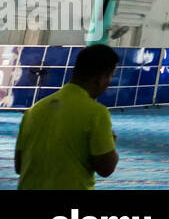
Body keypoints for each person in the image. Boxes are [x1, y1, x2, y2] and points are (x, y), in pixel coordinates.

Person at [13, 44, 119, 190]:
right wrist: (110, 143)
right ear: (101, 78)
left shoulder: (34, 110)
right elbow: (106, 169)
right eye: (110, 76)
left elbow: (19, 166)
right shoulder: (96, 113)